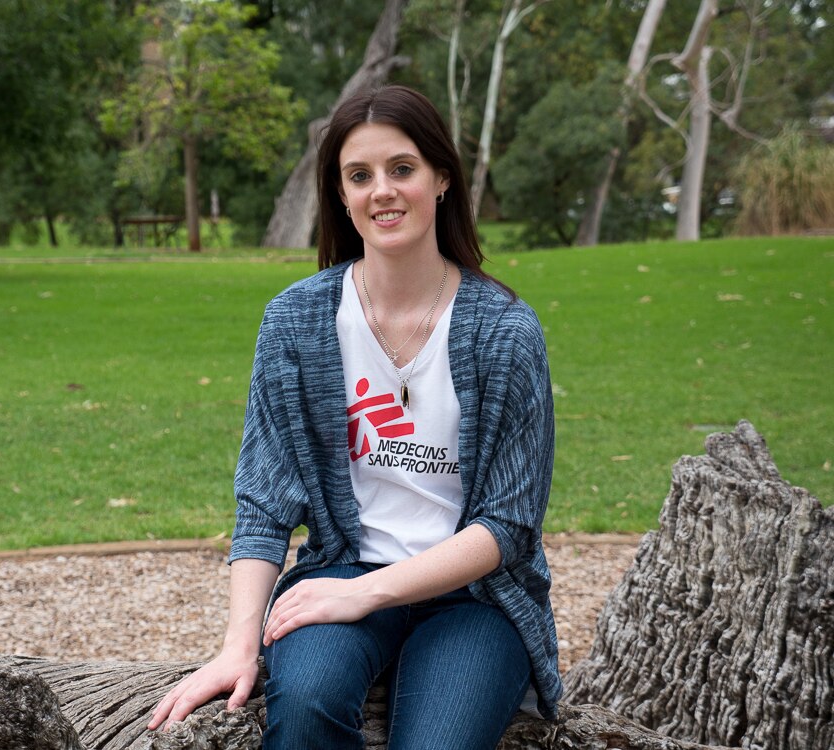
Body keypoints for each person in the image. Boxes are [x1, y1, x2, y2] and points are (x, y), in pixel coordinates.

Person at [148, 84, 561, 749]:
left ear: (442, 178)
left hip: (475, 599)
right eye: (359, 175)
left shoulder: (505, 331)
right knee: (307, 703)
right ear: (341, 194)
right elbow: (263, 506)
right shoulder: (296, 321)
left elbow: (509, 526)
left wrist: (371, 597)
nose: (383, 191)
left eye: (402, 169)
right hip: (345, 565)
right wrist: (238, 646)